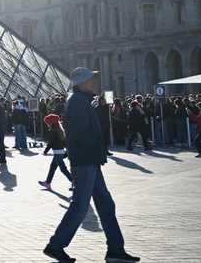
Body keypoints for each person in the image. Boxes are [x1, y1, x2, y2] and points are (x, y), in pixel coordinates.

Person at [44, 68, 139, 263]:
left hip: (90, 161)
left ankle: (115, 249)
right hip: (85, 161)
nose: (94, 82)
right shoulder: (77, 102)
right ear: (80, 83)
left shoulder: (82, 101)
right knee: (80, 206)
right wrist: (95, 152)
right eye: (90, 80)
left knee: (105, 205)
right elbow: (81, 134)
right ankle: (56, 245)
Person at [39, 113, 71, 190]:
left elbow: (50, 143)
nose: (47, 124)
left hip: (57, 152)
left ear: (51, 123)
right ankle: (47, 182)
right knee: (53, 167)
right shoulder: (60, 130)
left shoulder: (53, 130)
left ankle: (74, 182)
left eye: (47, 123)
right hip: (60, 151)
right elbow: (64, 142)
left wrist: (45, 151)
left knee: (63, 169)